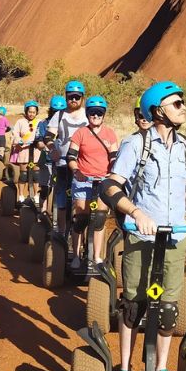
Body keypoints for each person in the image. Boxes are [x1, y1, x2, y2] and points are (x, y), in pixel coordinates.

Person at [100, 81, 186, 371]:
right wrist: (135, 212)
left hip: (175, 238)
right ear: (158, 111)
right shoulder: (135, 145)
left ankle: (161, 370)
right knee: (133, 306)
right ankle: (123, 370)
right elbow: (110, 186)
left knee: (168, 311)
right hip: (141, 237)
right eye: (177, 104)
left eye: (182, 102)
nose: (183, 107)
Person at [65, 96, 118, 270]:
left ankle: (96, 257)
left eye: (99, 113)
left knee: (99, 219)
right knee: (81, 218)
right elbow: (71, 156)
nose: (95, 116)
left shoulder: (109, 133)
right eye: (92, 113)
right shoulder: (81, 133)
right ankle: (76, 255)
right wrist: (77, 171)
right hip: (83, 180)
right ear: (87, 114)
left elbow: (114, 156)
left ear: (104, 115)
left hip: (103, 180)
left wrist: (112, 172)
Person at [43, 81, 88, 233]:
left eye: (77, 97)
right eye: (70, 97)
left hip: (83, 164)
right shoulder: (59, 115)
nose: (73, 100)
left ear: (82, 98)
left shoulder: (88, 114)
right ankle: (61, 233)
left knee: (80, 200)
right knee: (62, 198)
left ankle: (76, 237)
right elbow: (48, 136)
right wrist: (51, 149)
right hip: (62, 162)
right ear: (66, 97)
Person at [35, 95, 66, 213]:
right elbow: (39, 144)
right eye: (55, 111)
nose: (57, 114)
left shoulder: (68, 124)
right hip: (47, 160)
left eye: (60, 111)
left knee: (62, 190)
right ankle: (41, 211)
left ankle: (59, 217)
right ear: (51, 111)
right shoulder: (43, 124)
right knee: (46, 188)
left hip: (63, 162)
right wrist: (50, 144)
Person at [10, 101, 41, 205]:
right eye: (29, 111)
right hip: (23, 150)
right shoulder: (20, 122)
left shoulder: (40, 122)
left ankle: (36, 195)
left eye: (33, 112)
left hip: (36, 151)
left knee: (36, 174)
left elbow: (43, 134)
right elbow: (15, 133)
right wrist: (18, 140)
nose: (31, 114)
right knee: (23, 174)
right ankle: (21, 195)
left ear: (37, 112)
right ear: (26, 111)